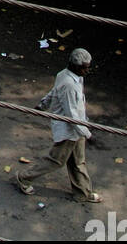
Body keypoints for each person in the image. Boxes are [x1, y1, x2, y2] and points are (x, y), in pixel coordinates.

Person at [16, 49, 101, 203]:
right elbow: (71, 115)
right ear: (74, 66)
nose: (87, 70)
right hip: (69, 130)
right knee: (56, 161)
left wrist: (43, 104)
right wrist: (88, 135)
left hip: (78, 128)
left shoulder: (71, 76)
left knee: (78, 162)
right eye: (84, 67)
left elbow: (54, 92)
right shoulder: (69, 84)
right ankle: (24, 177)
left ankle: (82, 192)